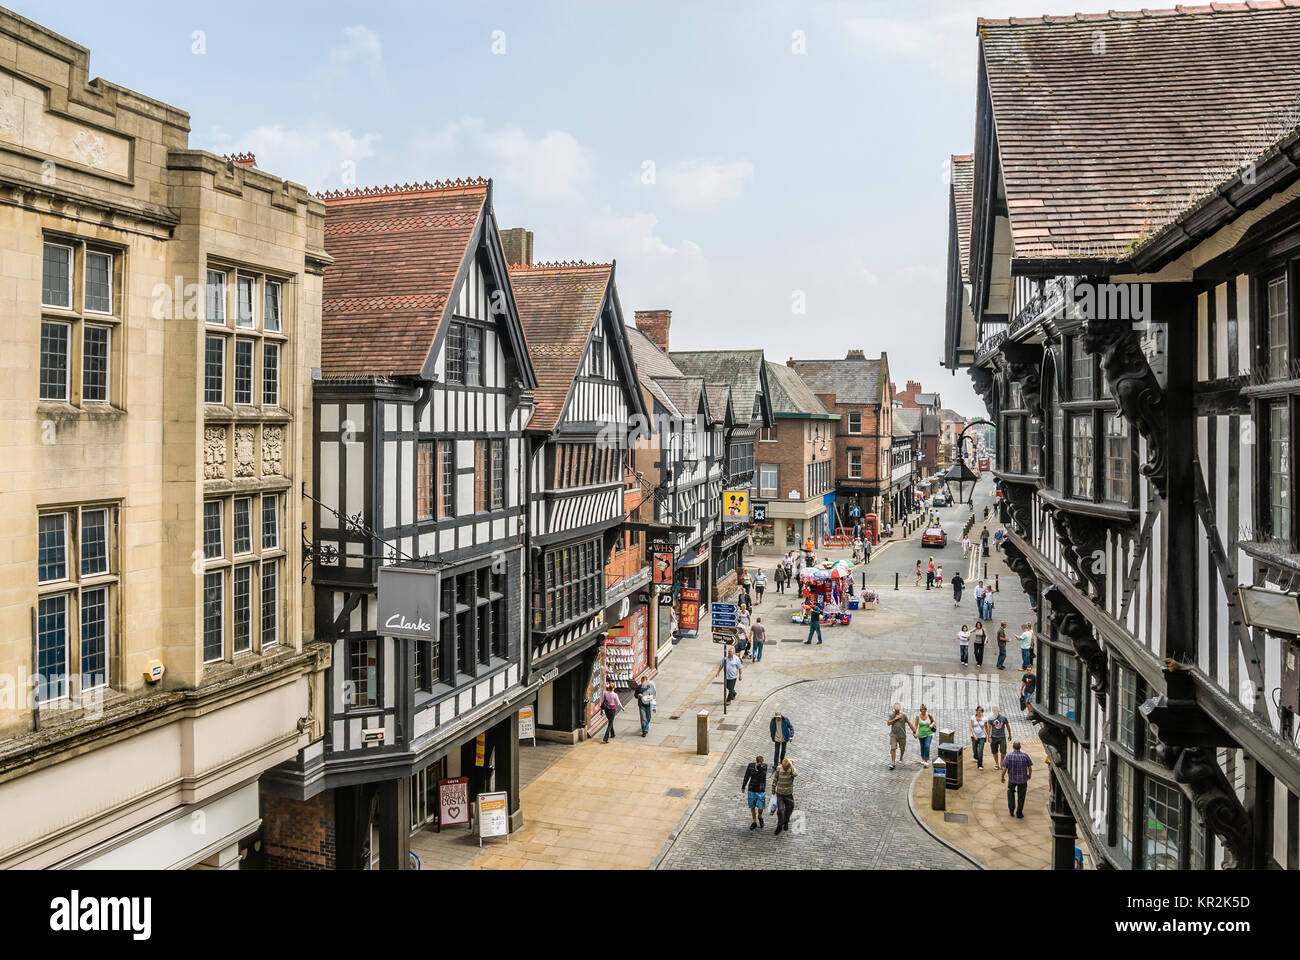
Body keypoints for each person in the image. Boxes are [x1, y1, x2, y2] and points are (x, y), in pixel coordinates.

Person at [1001, 740, 1033, 818]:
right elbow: (1030, 767)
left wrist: (1002, 777)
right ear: (1020, 747)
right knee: (1021, 796)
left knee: (1010, 792)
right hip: (1023, 780)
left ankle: (1011, 809)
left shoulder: (1009, 756)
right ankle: (1019, 813)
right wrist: (1029, 775)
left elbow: (1004, 768)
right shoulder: (1025, 756)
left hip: (1012, 779)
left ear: (1013, 747)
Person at [771, 757, 798, 835]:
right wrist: (773, 788)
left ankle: (786, 821)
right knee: (780, 810)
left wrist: (792, 765)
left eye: (786, 767)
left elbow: (795, 774)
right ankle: (779, 826)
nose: (785, 768)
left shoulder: (791, 769)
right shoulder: (779, 768)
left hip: (788, 793)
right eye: (784, 767)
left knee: (789, 808)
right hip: (780, 793)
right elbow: (775, 779)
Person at [741, 754, 768, 831]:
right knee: (752, 806)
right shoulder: (751, 766)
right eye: (760, 763)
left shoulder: (765, 767)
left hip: (760, 790)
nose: (762, 764)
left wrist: (760, 768)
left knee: (761, 806)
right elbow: (747, 776)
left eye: (762, 763)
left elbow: (762, 776)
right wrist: (743, 786)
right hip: (752, 789)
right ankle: (754, 821)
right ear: (757, 762)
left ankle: (759, 816)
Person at [887, 701, 915, 770]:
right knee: (893, 748)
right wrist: (895, 719)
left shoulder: (904, 715)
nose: (897, 711)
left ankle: (901, 758)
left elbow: (909, 723)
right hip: (894, 735)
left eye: (898, 710)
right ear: (894, 709)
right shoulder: (891, 715)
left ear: (900, 709)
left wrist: (914, 731)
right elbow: (888, 723)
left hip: (902, 735)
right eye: (896, 710)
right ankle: (893, 763)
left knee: (902, 748)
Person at [970, 705, 990, 770]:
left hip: (982, 736)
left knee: (980, 751)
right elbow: (971, 727)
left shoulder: (985, 718)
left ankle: (980, 765)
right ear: (976, 710)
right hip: (974, 736)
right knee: (974, 748)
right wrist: (974, 735)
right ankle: (975, 757)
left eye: (981, 711)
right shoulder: (973, 717)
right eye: (978, 710)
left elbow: (987, 728)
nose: (979, 712)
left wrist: (989, 736)